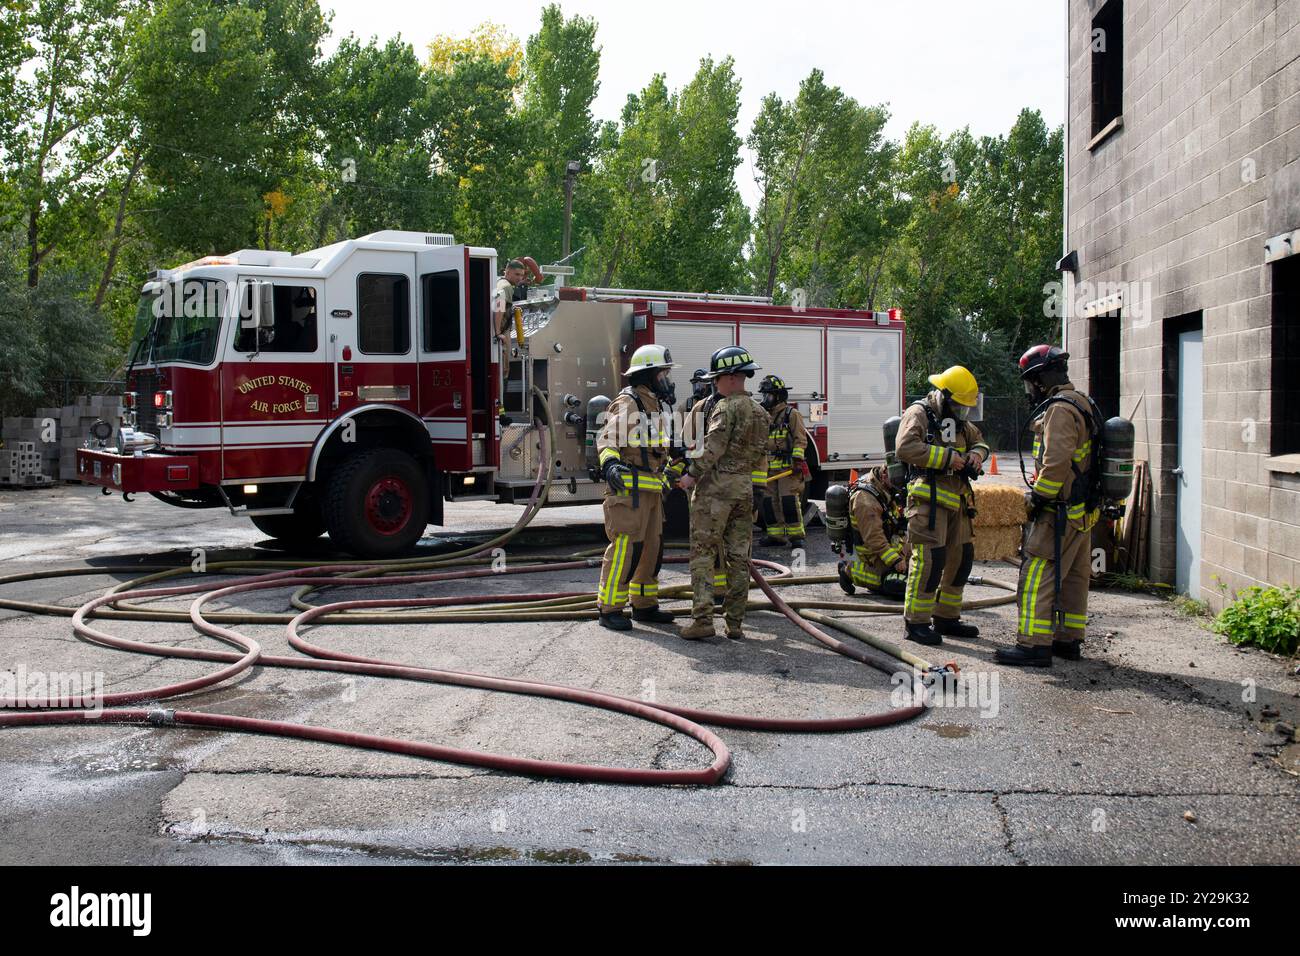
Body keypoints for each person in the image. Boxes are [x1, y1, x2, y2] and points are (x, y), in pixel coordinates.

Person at [997, 346, 1098, 667]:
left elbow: (1055, 465)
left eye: (1031, 382)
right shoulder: (1084, 402)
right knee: (1073, 577)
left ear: (1041, 379)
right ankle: (1067, 640)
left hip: (1059, 511)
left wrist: (1038, 498)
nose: (1031, 390)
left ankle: (1033, 645)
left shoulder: (1060, 410)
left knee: (1037, 572)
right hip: (1082, 511)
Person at [677, 346, 769, 640]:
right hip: (744, 489)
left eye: (716, 378)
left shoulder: (725, 407)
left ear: (731, 377)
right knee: (739, 558)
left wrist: (690, 476)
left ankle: (703, 619)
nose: (713, 384)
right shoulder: (761, 412)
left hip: (715, 491)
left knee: (703, 554)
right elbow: (758, 458)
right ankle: (735, 624)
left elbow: (713, 448)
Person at [896, 366, 991, 646]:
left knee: (961, 560)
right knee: (929, 562)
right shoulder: (920, 414)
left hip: (958, 502)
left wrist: (976, 454)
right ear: (945, 396)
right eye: (960, 407)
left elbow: (981, 441)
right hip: (928, 501)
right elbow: (905, 448)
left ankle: (947, 617)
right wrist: (947, 458)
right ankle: (916, 623)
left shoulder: (960, 419)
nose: (964, 413)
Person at [593, 344, 679, 632]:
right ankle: (610, 608)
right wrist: (611, 465)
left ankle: (644, 604)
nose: (667, 379)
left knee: (651, 549)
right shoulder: (629, 402)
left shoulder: (651, 404)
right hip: (628, 493)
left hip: (651, 491)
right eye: (663, 373)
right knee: (625, 549)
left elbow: (655, 446)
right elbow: (607, 438)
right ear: (649, 375)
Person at [836, 465, 907, 599]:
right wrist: (895, 560)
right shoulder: (866, 500)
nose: (899, 486)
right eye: (897, 482)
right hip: (872, 557)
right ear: (885, 475)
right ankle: (849, 571)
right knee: (898, 585)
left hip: (887, 550)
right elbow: (874, 538)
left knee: (921, 576)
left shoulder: (884, 488)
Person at [757, 374, 810, 549]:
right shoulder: (763, 416)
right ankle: (775, 536)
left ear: (778, 395)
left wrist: (797, 461)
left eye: (768, 395)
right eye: (763, 395)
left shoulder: (791, 414)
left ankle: (796, 537)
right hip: (768, 468)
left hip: (788, 468)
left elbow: (800, 439)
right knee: (769, 503)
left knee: (788, 501)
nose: (765, 399)